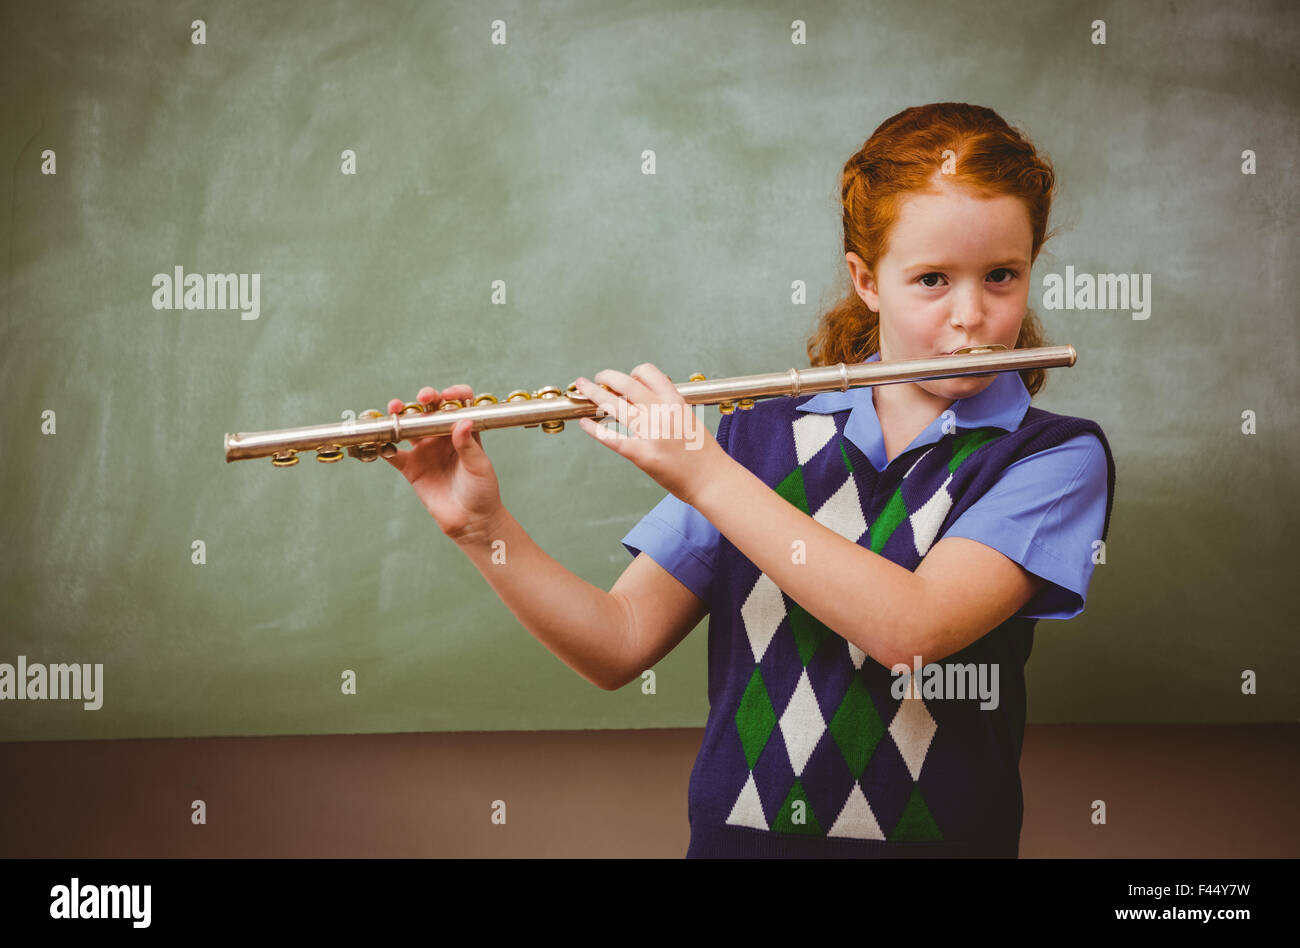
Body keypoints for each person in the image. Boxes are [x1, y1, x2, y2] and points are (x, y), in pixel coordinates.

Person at [382, 102, 1116, 858]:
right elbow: (618, 643)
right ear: (867, 281)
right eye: (932, 279)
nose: (971, 317)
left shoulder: (1050, 458)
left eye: (1002, 276)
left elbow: (914, 632)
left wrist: (707, 476)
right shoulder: (757, 437)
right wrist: (482, 527)